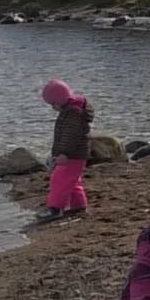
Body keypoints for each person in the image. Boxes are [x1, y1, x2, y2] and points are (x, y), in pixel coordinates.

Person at [40, 78, 92, 219]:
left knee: (59, 181)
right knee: (73, 181)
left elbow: (70, 137)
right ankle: (78, 205)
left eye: (53, 104)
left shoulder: (73, 114)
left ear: (60, 100)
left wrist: (63, 153)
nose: (53, 107)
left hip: (71, 155)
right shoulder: (72, 111)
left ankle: (55, 209)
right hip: (75, 155)